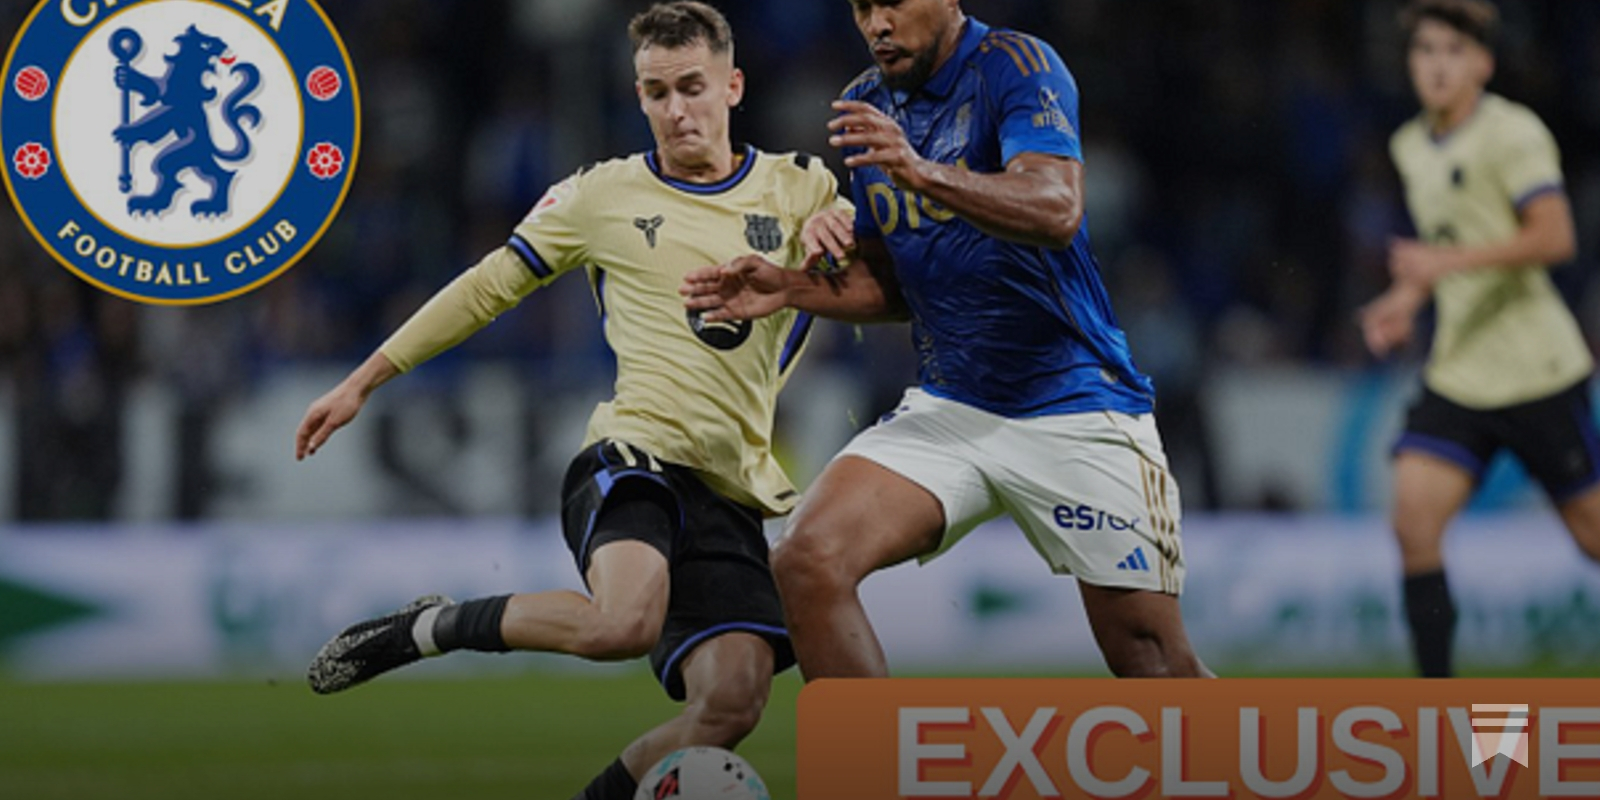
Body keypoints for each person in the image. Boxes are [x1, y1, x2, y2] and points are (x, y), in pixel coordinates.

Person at [295, 4, 846, 797]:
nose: (675, 109)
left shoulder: (801, 186)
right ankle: (434, 626)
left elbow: (868, 266)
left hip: (731, 488)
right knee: (623, 624)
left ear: (733, 86)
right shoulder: (600, 195)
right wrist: (361, 381)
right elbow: (486, 287)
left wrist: (841, 231)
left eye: (692, 87)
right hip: (634, 458)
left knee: (732, 702)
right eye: (656, 92)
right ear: (639, 96)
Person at [682, 0, 1208, 679]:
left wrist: (920, 171)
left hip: (1075, 403)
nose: (877, 24)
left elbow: (1056, 208)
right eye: (862, 6)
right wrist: (788, 287)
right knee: (806, 557)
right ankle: (873, 750)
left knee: (1153, 664)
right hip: (951, 408)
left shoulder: (1017, 67)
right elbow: (894, 285)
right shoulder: (867, 104)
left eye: (893, 3)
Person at [1360, 0, 1600, 677]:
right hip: (1460, 371)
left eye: (1453, 51)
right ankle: (1437, 711)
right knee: (1413, 524)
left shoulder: (1512, 133)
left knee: (1592, 539)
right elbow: (1445, 247)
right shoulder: (1411, 145)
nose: (1437, 66)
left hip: (1536, 369)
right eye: (1425, 51)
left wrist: (1442, 265)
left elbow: (1555, 237)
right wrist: (1404, 300)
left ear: (1483, 65)